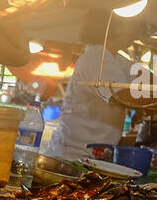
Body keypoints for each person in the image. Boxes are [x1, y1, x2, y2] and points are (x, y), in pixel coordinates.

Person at [43, 9, 139, 163]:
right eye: (131, 23)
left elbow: (149, 82)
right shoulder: (96, 57)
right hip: (72, 159)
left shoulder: (117, 60)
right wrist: (154, 99)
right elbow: (123, 95)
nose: (136, 29)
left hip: (91, 157)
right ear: (117, 26)